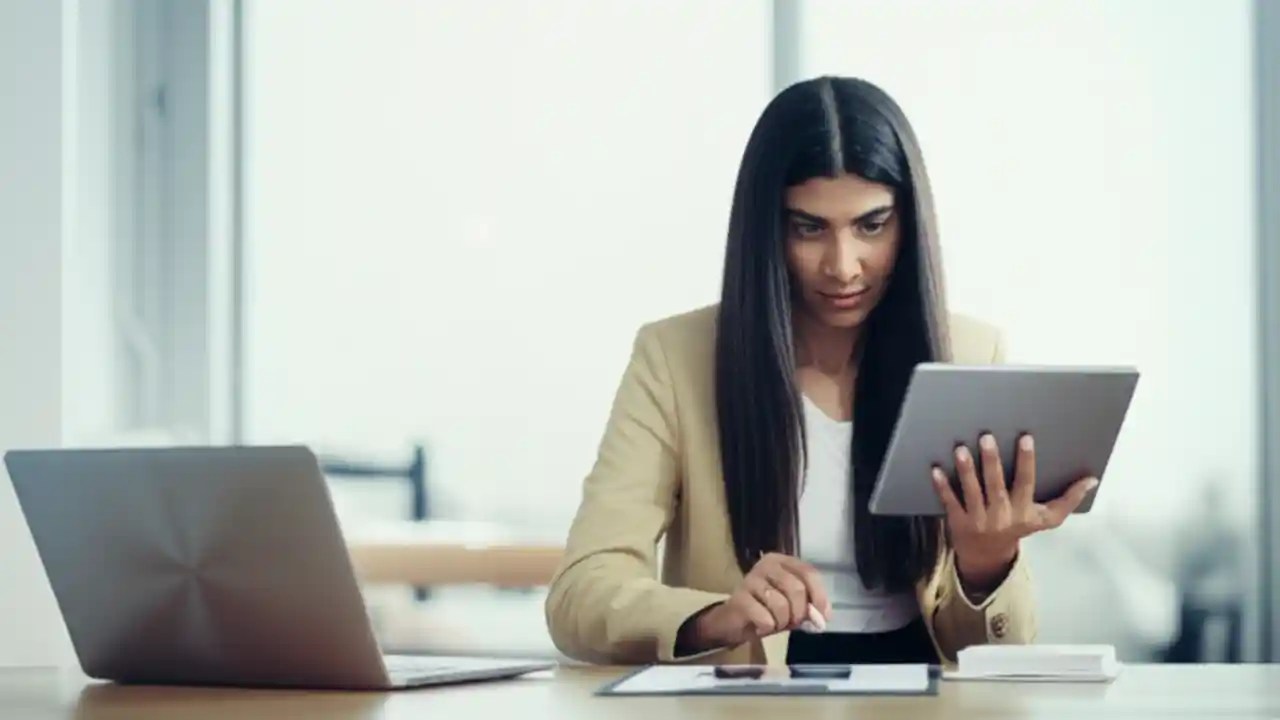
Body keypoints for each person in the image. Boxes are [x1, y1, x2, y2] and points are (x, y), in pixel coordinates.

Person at [544, 76, 1099, 667]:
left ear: (908, 224)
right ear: (767, 230)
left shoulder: (968, 352)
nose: (843, 266)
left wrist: (985, 564)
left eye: (871, 225)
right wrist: (713, 617)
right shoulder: (675, 359)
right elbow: (581, 591)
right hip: (755, 698)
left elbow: (1002, 655)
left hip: (921, 695)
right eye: (809, 228)